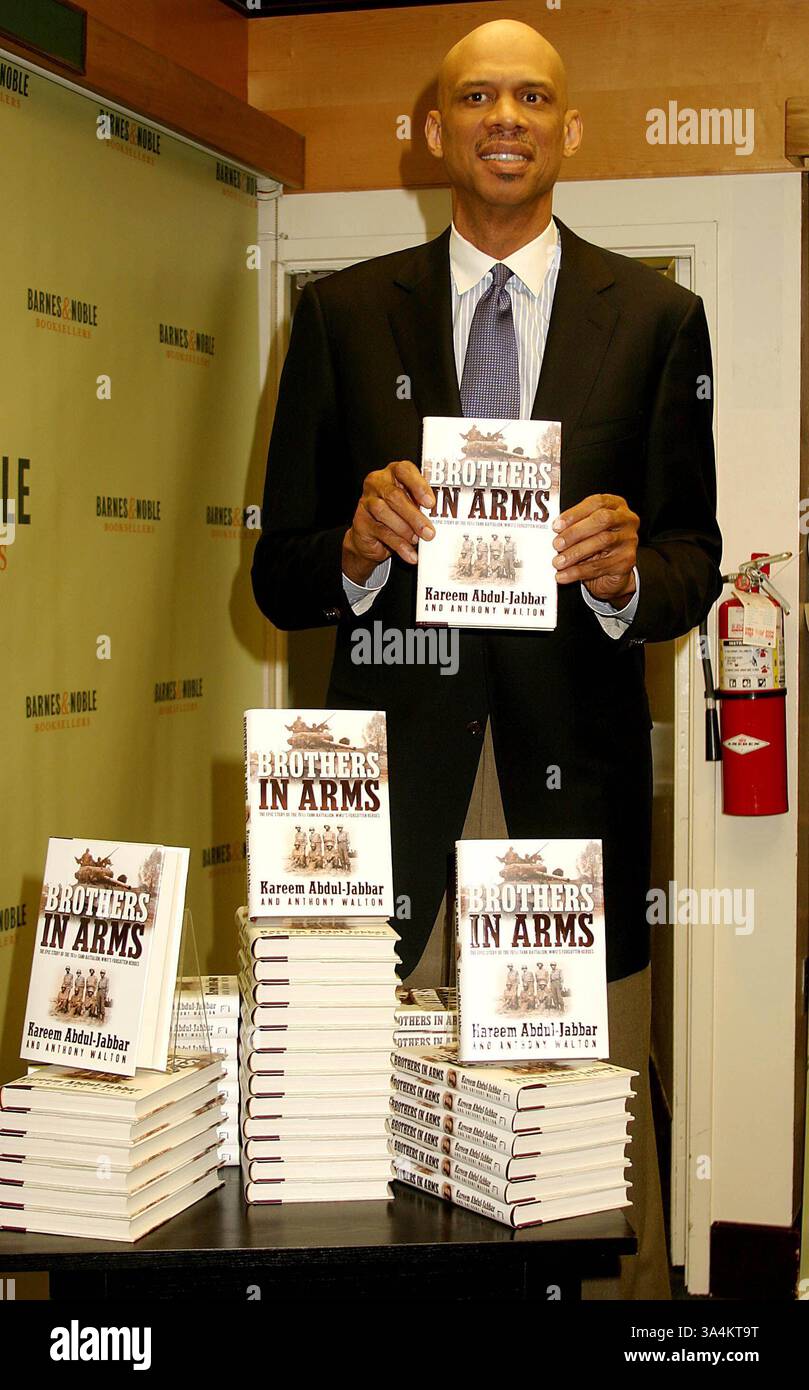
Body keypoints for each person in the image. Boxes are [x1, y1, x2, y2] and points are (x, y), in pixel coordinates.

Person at [252, 19, 722, 1299]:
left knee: (566, 1159)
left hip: (567, 786)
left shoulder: (659, 317)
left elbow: (694, 555)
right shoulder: (340, 313)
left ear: (567, 129)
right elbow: (276, 574)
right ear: (436, 128)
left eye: (529, 95)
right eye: (475, 96)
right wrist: (351, 547)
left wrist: (630, 572)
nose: (503, 116)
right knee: (360, 1142)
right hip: (381, 791)